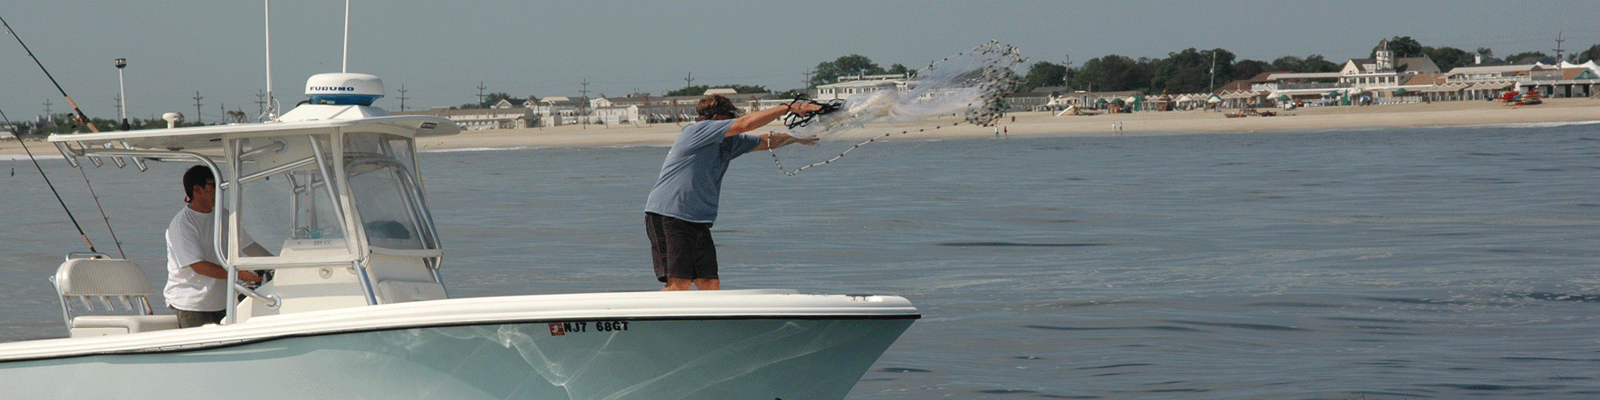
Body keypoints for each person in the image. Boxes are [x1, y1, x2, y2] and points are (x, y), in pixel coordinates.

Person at [644, 95, 822, 291]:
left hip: (697, 219)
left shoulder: (727, 142)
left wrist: (796, 139)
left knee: (709, 282)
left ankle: (709, 321)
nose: (732, 120)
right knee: (679, 282)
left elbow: (763, 141)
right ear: (717, 117)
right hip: (668, 214)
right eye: (729, 116)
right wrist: (787, 107)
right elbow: (744, 124)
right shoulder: (696, 131)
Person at [164, 165, 271, 328]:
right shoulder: (182, 225)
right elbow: (199, 266)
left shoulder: (224, 216)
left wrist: (277, 265)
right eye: (214, 185)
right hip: (193, 306)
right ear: (197, 189)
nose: (220, 190)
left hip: (223, 303)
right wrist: (240, 275)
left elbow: (249, 247)